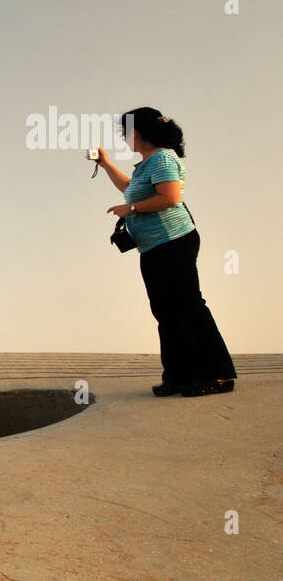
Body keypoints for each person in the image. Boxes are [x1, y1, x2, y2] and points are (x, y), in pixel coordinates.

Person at [94, 107, 236, 397]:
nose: (124, 137)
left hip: (174, 241)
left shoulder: (163, 157)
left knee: (189, 306)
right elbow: (130, 188)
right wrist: (107, 164)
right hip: (153, 247)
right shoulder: (146, 164)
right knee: (165, 312)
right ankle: (180, 375)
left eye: (125, 131)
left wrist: (130, 209)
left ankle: (219, 375)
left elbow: (170, 197)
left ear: (137, 132)